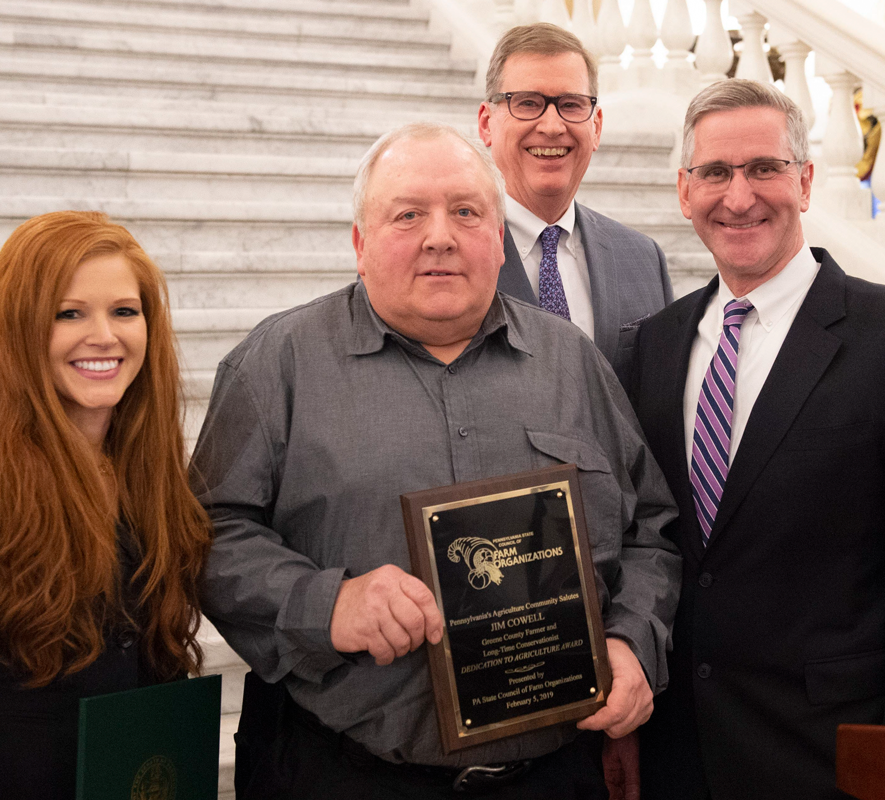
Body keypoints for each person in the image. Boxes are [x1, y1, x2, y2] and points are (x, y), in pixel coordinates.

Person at [192, 121, 680, 799]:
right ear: (360, 243)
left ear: (496, 237)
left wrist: (631, 642)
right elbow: (207, 535)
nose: (440, 236)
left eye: (466, 211)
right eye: (409, 214)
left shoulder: (573, 362)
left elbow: (649, 532)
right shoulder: (277, 365)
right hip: (344, 774)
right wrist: (326, 603)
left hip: (553, 775)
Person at [615, 79, 885, 800]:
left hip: (831, 763)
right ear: (683, 189)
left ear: (806, 181)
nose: (739, 195)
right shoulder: (654, 348)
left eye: (764, 168)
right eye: (716, 173)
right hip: (680, 756)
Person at [0, 211, 214, 800]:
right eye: (68, 312)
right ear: (20, 329)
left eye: (125, 311)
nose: (104, 335)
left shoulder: (151, 475)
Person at [479, 23, 673, 362]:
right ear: (486, 124)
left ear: (595, 127)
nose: (553, 126)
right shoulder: (448, 256)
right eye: (527, 103)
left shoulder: (643, 259)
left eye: (570, 104)